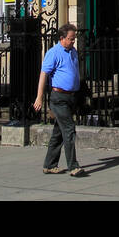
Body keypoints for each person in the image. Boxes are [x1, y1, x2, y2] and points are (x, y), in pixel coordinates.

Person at [33, 23, 84, 176]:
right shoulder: (53, 53)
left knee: (59, 132)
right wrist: (39, 97)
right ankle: (73, 166)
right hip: (59, 97)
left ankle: (49, 164)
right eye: (70, 39)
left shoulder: (73, 51)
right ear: (62, 38)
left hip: (71, 96)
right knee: (69, 129)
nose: (73, 41)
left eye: (74, 38)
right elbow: (43, 74)